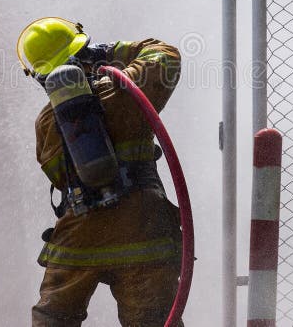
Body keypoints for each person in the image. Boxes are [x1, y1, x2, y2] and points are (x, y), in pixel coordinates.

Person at [17, 17, 184, 327]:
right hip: (143, 234)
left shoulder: (45, 123)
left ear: (42, 76)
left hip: (78, 240)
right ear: (85, 53)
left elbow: (57, 176)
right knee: (153, 321)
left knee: (53, 317)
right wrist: (113, 52)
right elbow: (166, 56)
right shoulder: (128, 91)